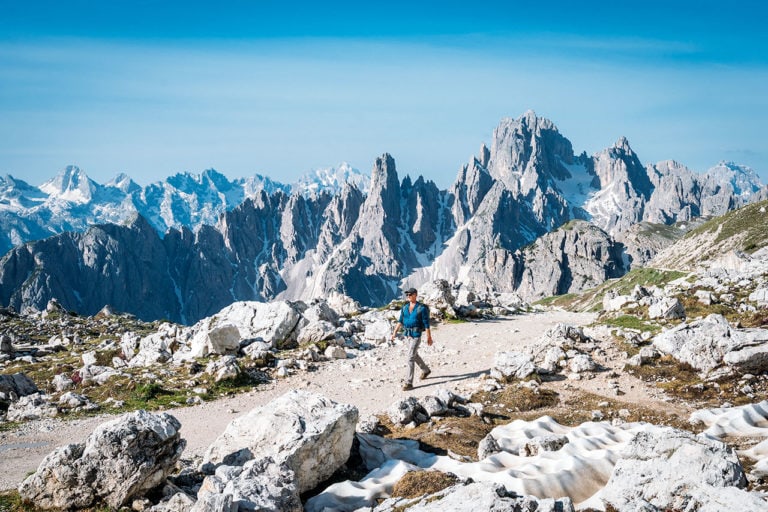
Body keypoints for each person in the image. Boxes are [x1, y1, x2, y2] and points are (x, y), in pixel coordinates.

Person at [391, 287, 433, 391]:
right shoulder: (405, 307)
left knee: (410, 357)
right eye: (407, 294)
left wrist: (429, 337)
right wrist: (394, 332)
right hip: (407, 335)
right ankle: (426, 370)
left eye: (410, 294)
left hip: (416, 335)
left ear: (415, 295)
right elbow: (401, 320)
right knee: (414, 355)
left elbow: (426, 324)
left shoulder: (421, 308)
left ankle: (408, 383)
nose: (408, 296)